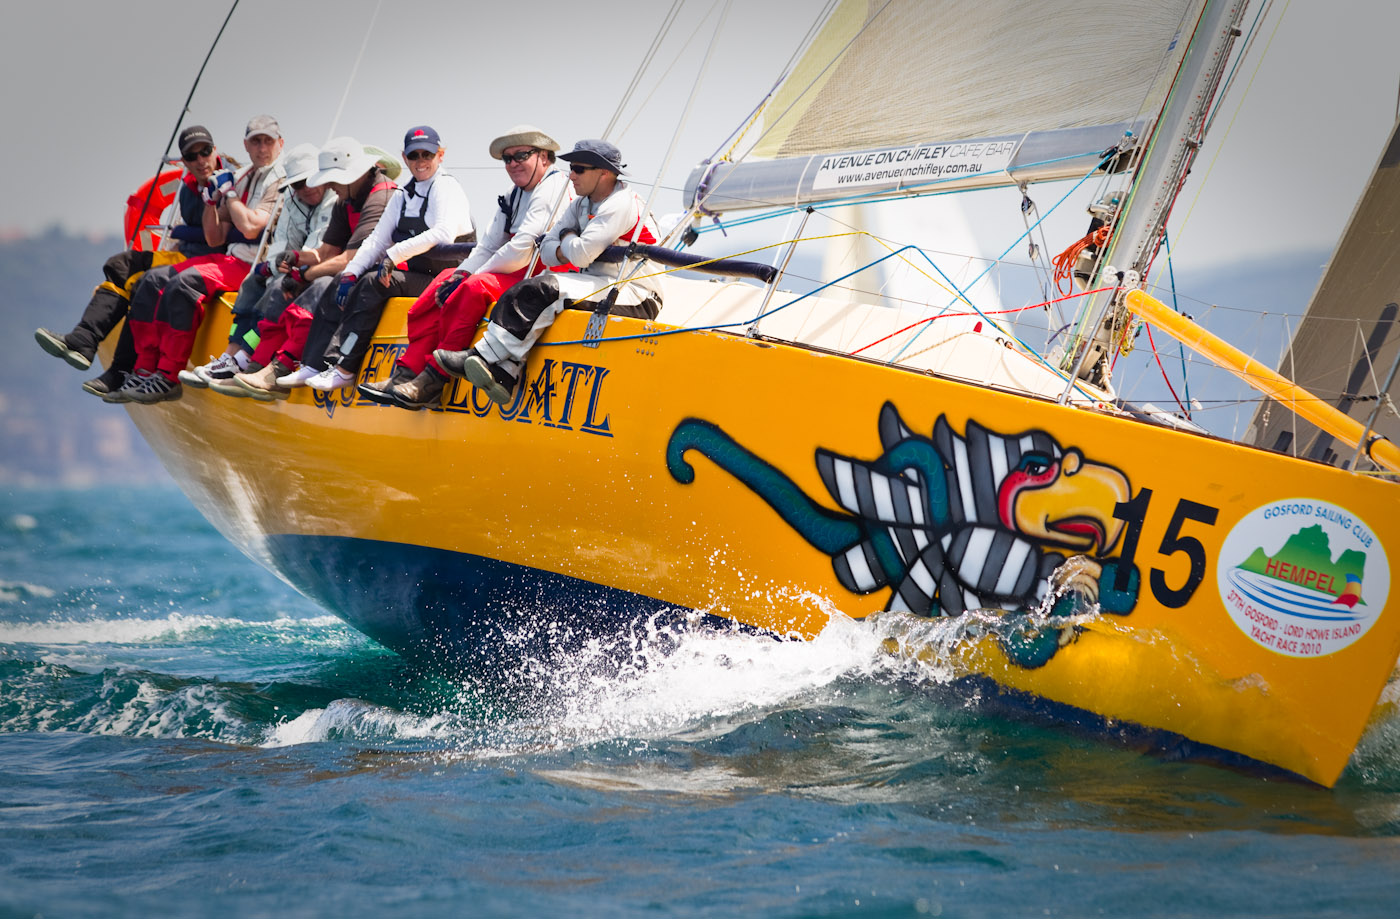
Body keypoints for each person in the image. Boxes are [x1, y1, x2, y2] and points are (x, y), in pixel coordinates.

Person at [434, 139, 662, 406]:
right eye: (571, 167)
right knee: (527, 287)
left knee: (540, 290)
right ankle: (504, 374)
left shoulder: (621, 203)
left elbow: (578, 254)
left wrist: (566, 237)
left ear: (605, 173)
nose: (571, 175)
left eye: (579, 168)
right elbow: (546, 251)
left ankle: (482, 357)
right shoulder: (580, 204)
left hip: (636, 293)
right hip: (600, 281)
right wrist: (570, 240)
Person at [359, 125, 569, 410]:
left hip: (542, 274)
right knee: (443, 281)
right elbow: (487, 245)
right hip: (515, 269)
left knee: (473, 287)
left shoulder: (555, 187)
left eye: (521, 155)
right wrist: (460, 273)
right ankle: (407, 373)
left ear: (544, 157)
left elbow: (522, 250)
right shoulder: (513, 194)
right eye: (507, 159)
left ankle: (433, 379)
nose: (512, 164)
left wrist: (471, 277)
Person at [33, 124, 227, 396]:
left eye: (205, 152)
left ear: (214, 150)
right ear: (184, 161)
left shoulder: (231, 181)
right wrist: (183, 233)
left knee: (144, 285)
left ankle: (121, 370)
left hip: (211, 261)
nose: (200, 160)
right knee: (120, 264)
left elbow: (221, 237)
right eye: (192, 157)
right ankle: (84, 339)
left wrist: (182, 231)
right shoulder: (188, 186)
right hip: (185, 254)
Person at [280, 125, 473, 393]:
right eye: (414, 156)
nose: (420, 162)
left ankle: (345, 368)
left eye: (426, 155)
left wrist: (393, 255)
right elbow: (376, 240)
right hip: (422, 275)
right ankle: (314, 364)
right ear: (405, 158)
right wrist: (350, 273)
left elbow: (442, 233)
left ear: (440, 155)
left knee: (372, 283)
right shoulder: (404, 194)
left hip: (449, 279)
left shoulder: (445, 186)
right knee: (341, 281)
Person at [110, 115, 285, 403]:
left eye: (268, 141)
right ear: (246, 145)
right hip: (231, 258)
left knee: (184, 284)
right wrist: (210, 199)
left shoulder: (279, 179)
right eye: (256, 141)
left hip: (256, 266)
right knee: (152, 280)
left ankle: (167, 375)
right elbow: (215, 236)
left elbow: (252, 225)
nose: (262, 148)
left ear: (280, 144)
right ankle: (143, 370)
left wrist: (228, 194)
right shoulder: (243, 178)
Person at [223, 136, 398, 400]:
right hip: (355, 271)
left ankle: (281, 367)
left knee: (320, 285)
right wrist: (296, 258)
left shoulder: (381, 196)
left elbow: (352, 258)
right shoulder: (345, 199)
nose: (328, 187)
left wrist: (303, 274)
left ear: (350, 176)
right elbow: (326, 252)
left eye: (331, 180)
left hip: (384, 275)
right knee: (284, 286)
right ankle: (257, 364)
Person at [180, 143, 338, 393]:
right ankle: (232, 355)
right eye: (297, 184)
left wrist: (291, 269)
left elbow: (320, 248)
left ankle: (249, 362)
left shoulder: (333, 201)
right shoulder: (293, 200)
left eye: (308, 181)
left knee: (276, 289)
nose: (304, 189)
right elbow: (283, 242)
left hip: (318, 271)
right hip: (297, 267)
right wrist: (274, 265)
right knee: (253, 281)